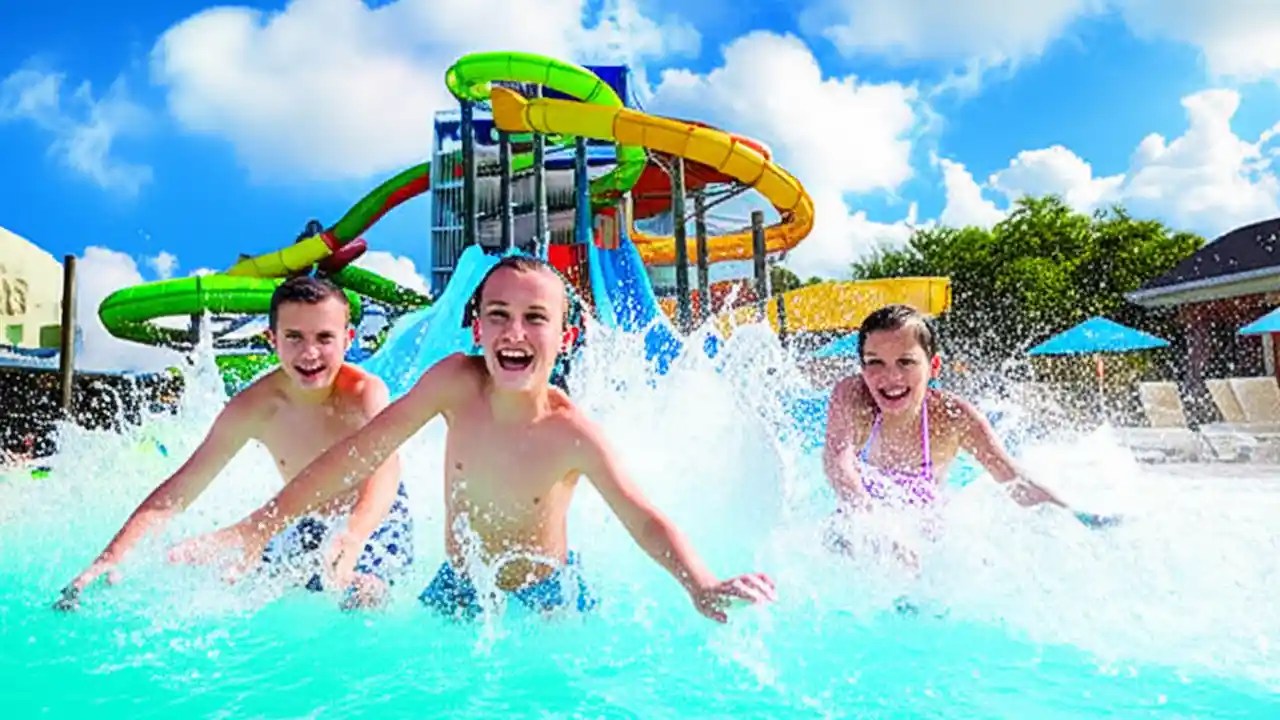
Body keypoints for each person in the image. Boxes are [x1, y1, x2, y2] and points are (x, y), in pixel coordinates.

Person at [172, 255, 775, 623]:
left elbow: (643, 517)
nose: (515, 331)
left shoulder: (570, 431)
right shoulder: (453, 385)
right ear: (476, 327)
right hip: (460, 586)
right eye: (499, 315)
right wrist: (257, 527)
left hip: (548, 594)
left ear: (565, 339)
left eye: (536, 318)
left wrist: (700, 581)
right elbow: (359, 454)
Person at [54, 275, 412, 611]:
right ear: (272, 340)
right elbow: (182, 486)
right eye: (294, 337)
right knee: (223, 579)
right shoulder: (253, 407)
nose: (309, 353)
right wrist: (114, 554)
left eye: (324, 338)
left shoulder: (365, 394)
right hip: (302, 519)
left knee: (362, 595)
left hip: (375, 516)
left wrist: (354, 534)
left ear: (348, 340)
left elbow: (385, 470)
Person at [822, 304, 1115, 554]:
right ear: (861, 367)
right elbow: (838, 463)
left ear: (933, 366)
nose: (891, 377)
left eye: (906, 362)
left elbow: (1015, 480)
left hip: (923, 531)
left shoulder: (953, 417)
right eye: (875, 363)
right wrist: (875, 525)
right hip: (860, 522)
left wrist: (1077, 518)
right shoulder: (851, 397)